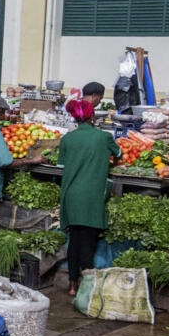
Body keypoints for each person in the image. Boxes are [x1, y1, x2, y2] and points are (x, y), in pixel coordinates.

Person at [57, 100, 121, 295]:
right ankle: (87, 285)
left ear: (74, 119)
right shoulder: (103, 137)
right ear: (93, 117)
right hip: (92, 195)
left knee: (75, 238)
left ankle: (72, 284)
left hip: (72, 195)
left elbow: (60, 165)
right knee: (88, 242)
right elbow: (118, 154)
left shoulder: (68, 139)